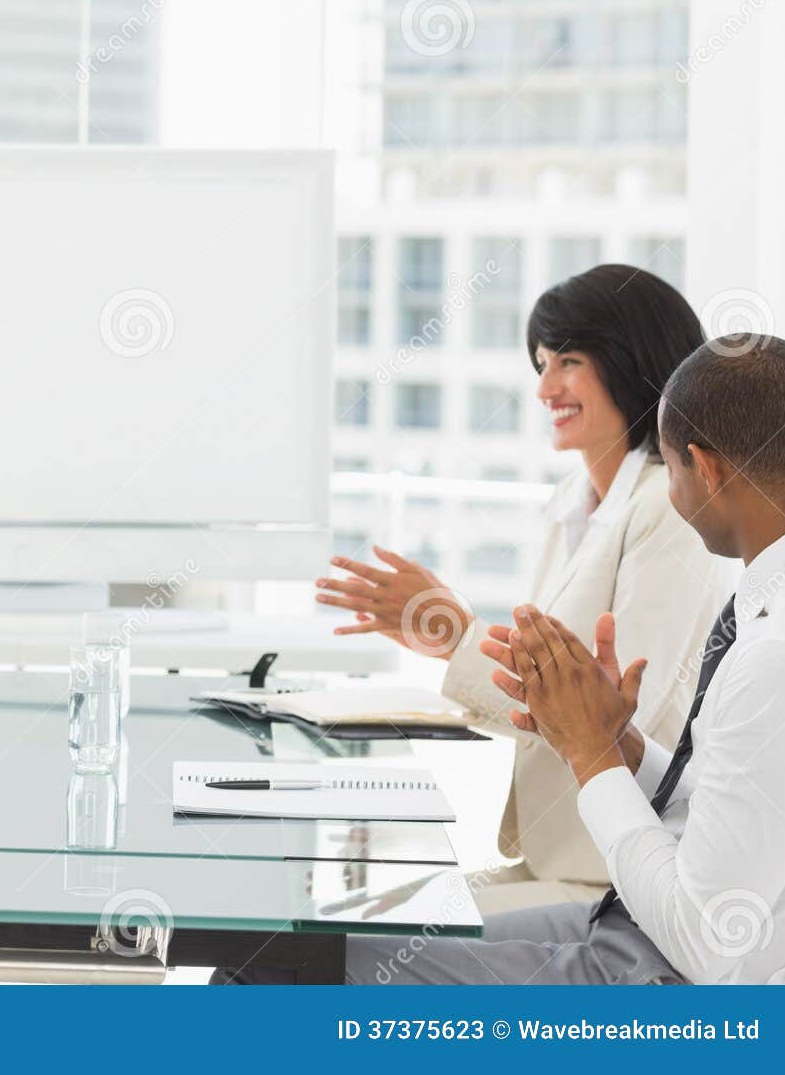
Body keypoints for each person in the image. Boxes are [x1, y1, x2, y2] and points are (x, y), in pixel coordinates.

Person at [344, 334, 785, 984]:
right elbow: (738, 812)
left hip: (666, 978)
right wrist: (624, 747)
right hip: (633, 922)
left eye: (674, 469)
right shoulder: (761, 613)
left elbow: (706, 943)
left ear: (706, 467)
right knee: (317, 948)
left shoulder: (770, 655)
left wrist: (591, 753)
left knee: (310, 963)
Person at [314, 265, 733, 912]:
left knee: (346, 947)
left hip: (614, 879)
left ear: (632, 361)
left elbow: (613, 709)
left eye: (567, 360)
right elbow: (553, 681)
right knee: (341, 921)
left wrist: (454, 633)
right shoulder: (574, 506)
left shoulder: (665, 512)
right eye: (540, 362)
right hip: (553, 858)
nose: (544, 387)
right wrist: (448, 637)